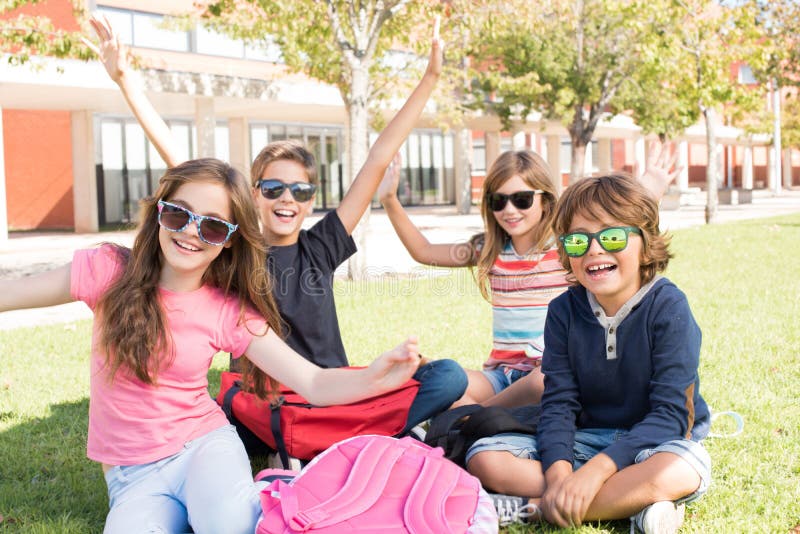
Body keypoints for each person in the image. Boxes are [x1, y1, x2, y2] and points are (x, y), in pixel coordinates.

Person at [83, 16, 467, 434]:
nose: (287, 198)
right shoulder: (231, 247)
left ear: (311, 202)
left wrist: (429, 78)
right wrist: (125, 81)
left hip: (332, 394)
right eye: (274, 187)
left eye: (300, 192)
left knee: (448, 375)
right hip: (263, 408)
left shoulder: (322, 245)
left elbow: (376, 160)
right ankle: (357, 434)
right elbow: (181, 163)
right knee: (223, 414)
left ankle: (344, 432)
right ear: (251, 194)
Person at [0, 158, 421, 533]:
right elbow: (10, 293)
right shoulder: (107, 271)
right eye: (179, 214)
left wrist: (374, 376)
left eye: (213, 225)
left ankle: (263, 493)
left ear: (229, 239)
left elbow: (312, 382)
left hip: (203, 448)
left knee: (227, 524)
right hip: (133, 475)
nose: (191, 232)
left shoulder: (227, 311)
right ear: (160, 212)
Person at [465, 173, 711, 533]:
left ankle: (537, 509)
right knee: (485, 458)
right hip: (587, 436)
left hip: (656, 442)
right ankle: (631, 506)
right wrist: (561, 472)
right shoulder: (563, 311)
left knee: (678, 470)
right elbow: (559, 404)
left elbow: (671, 416)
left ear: (646, 243)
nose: (594, 250)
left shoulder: (669, 307)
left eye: (612, 237)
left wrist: (597, 471)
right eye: (578, 241)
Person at [378, 146, 677, 408]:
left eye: (521, 199)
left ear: (546, 199)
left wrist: (652, 187)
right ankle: (477, 411)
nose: (509, 209)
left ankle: (475, 417)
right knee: (446, 377)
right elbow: (423, 250)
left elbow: (618, 221)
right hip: (500, 376)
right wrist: (390, 199)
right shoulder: (488, 250)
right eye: (499, 200)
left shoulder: (567, 247)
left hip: (551, 371)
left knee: (539, 384)